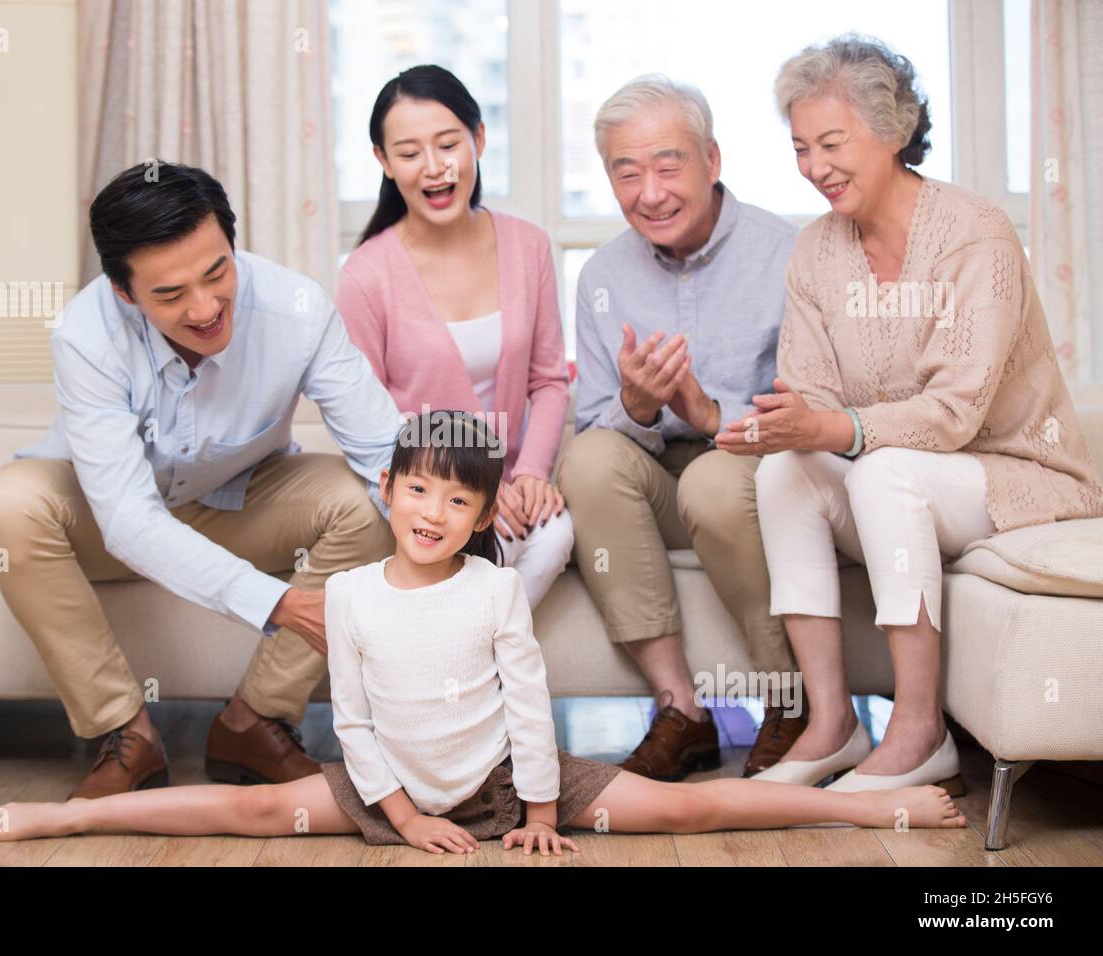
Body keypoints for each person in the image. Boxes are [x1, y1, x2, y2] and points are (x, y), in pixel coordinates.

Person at [0, 411, 968, 852]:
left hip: (508, 779)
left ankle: (870, 808)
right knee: (240, 812)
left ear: (481, 515)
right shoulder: (357, 592)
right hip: (395, 786)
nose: (430, 513)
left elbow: (529, 705)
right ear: (387, 490)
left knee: (687, 812)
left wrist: (539, 809)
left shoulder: (495, 591)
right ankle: (66, 817)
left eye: (456, 501)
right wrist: (403, 815)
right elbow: (355, 721)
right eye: (415, 491)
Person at [717, 35, 1103, 793]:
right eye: (800, 148)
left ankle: (920, 732)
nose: (815, 166)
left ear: (893, 129)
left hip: (1016, 478)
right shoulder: (816, 251)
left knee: (887, 470)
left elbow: (956, 414)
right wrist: (787, 427)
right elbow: (813, 394)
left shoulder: (974, 233)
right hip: (898, 484)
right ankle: (830, 722)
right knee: (783, 475)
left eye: (832, 142)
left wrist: (837, 429)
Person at [0, 161, 405, 800]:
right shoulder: (86, 334)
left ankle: (255, 723)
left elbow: (384, 454)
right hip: (104, 514)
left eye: (218, 272)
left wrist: (459, 539)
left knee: (370, 503)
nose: (205, 309)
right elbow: (126, 517)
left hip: (235, 502)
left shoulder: (297, 309)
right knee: (6, 502)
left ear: (232, 244)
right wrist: (276, 602)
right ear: (124, 291)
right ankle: (126, 734)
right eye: (170, 295)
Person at [556, 75, 805, 781]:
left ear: (712, 160)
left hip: (752, 473)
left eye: (668, 166)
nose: (650, 192)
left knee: (714, 482)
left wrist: (710, 414)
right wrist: (637, 406)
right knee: (588, 461)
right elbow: (598, 427)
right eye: (626, 173)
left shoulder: (782, 255)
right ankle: (682, 711)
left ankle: (791, 699)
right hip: (660, 478)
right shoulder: (601, 275)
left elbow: (809, 412)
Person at [336, 65, 573, 609]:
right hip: (425, 487)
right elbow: (362, 411)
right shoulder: (366, 274)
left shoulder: (529, 246)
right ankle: (460, 673)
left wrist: (533, 475)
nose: (434, 168)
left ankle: (477, 669)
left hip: (509, 480)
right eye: (409, 152)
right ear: (383, 161)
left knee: (556, 533)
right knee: (463, 553)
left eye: (448, 145)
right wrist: (455, 489)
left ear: (479, 140)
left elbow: (550, 381)